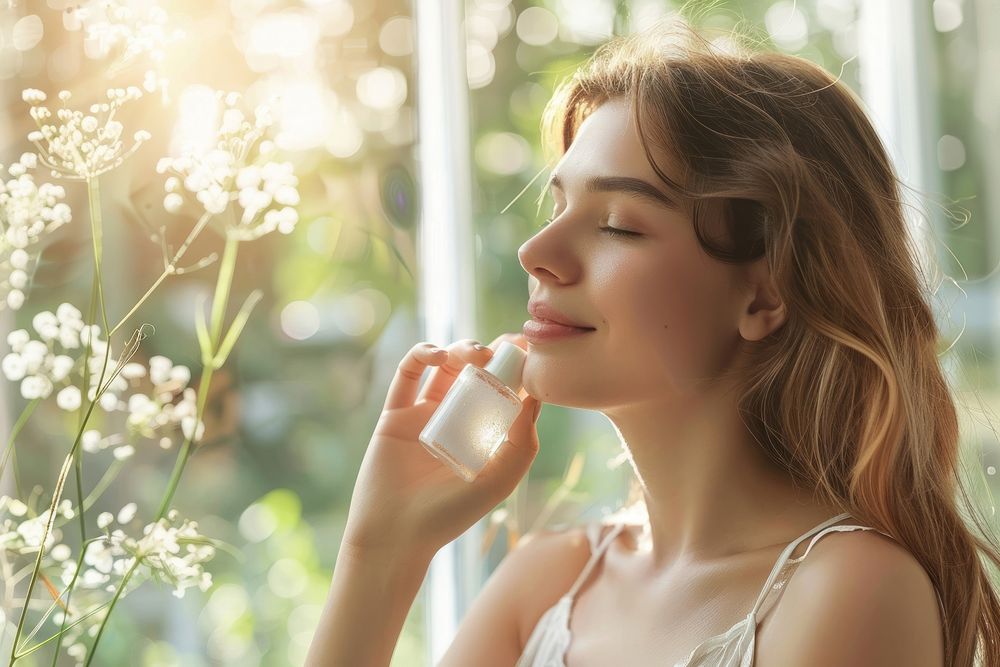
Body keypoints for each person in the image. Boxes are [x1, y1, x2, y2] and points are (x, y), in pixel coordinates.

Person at [306, 16, 1000, 667]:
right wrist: (383, 549)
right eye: (558, 205)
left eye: (616, 224)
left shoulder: (851, 590)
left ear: (764, 293)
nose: (535, 251)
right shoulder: (544, 583)